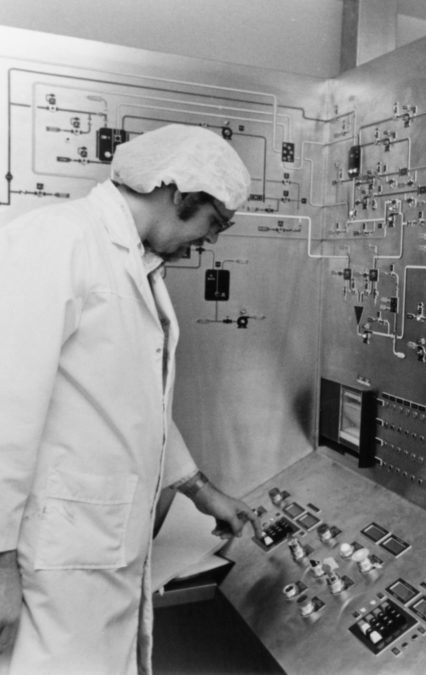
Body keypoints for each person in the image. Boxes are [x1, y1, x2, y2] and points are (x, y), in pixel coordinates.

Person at [0, 124, 261, 674]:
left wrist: (199, 489)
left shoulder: (133, 265)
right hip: (49, 562)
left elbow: (139, 409)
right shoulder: (57, 241)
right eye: (213, 223)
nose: (209, 242)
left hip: (97, 554)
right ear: (180, 193)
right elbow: (6, 408)